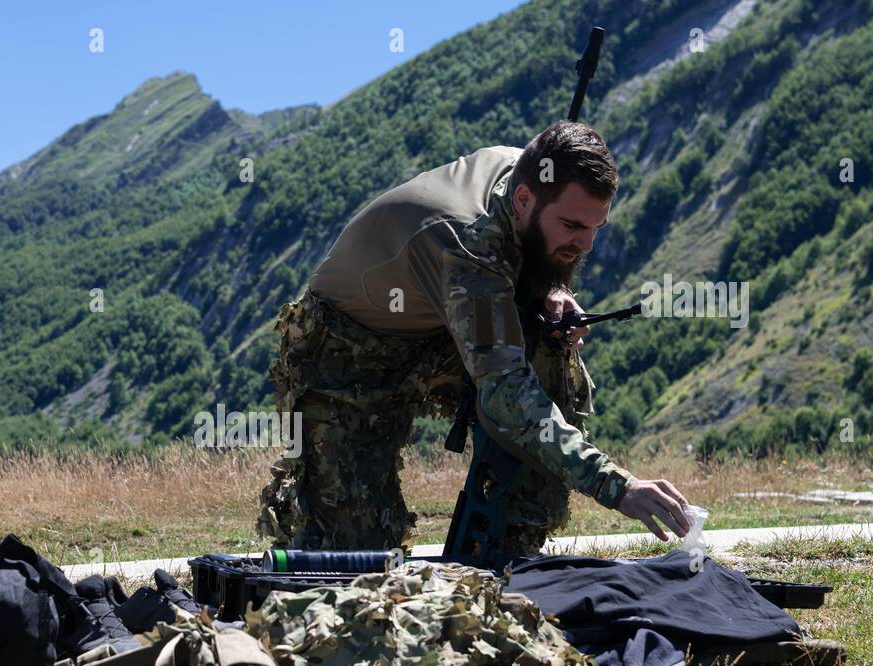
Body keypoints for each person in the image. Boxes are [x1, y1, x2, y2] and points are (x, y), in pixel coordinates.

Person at [256, 121, 691, 555]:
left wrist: (552, 291)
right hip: (345, 353)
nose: (588, 245)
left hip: (435, 327)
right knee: (356, 555)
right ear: (523, 200)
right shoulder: (467, 246)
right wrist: (617, 486)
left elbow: (522, 256)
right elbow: (506, 390)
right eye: (574, 226)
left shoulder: (534, 174)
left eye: (597, 227)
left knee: (549, 341)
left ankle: (510, 541)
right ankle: (317, 526)